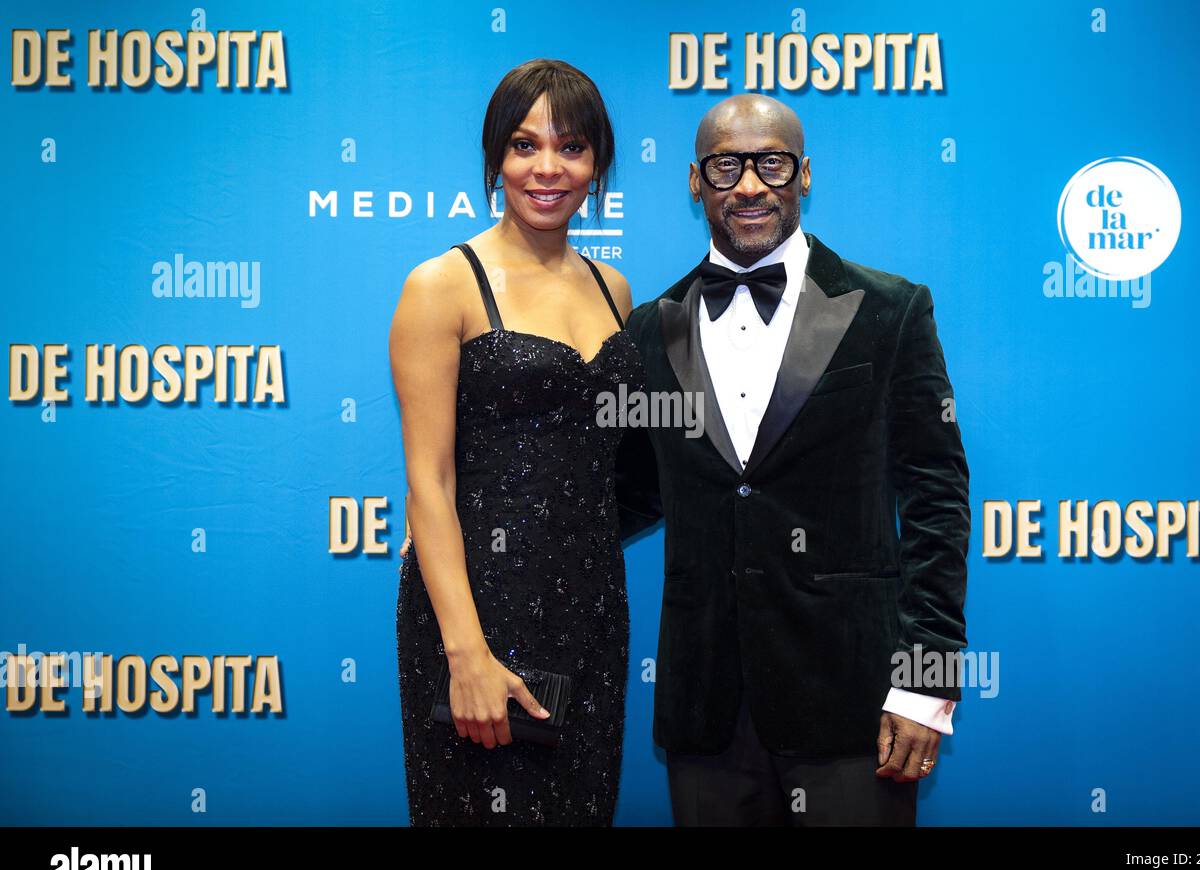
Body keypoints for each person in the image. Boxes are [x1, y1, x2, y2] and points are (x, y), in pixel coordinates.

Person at [616, 94, 971, 826]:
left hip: (856, 707)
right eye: (727, 166)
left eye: (771, 162)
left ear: (803, 174)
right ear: (694, 181)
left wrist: (925, 684)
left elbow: (937, 498)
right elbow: (630, 493)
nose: (750, 185)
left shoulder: (890, 309)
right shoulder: (650, 327)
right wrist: (491, 528)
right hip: (706, 710)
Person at [390, 59, 642, 826]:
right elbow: (427, 482)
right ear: (495, 157)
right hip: (479, 615)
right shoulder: (442, 284)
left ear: (597, 163)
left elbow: (612, 464)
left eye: (571, 147)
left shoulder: (615, 288)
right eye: (525, 145)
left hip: (591, 613)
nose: (548, 168)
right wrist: (465, 653)